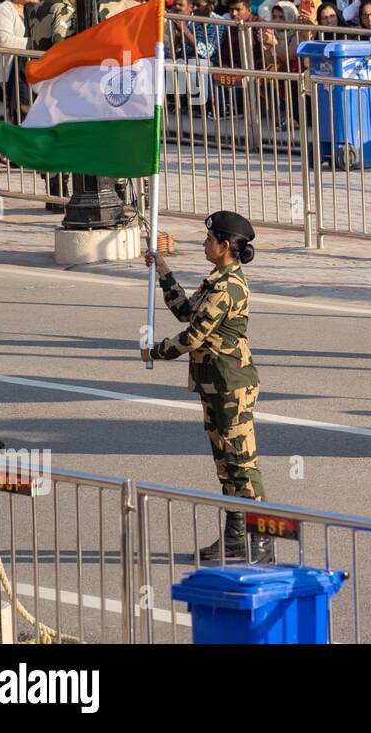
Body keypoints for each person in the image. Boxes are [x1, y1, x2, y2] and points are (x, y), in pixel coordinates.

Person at [142, 211, 273, 562]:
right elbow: (186, 312)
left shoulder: (229, 287)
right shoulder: (217, 280)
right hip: (214, 384)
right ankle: (235, 538)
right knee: (226, 465)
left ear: (225, 246)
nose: (204, 243)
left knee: (243, 464)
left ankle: (259, 543)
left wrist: (154, 351)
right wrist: (164, 271)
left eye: (209, 239)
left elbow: (194, 335)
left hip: (231, 385)